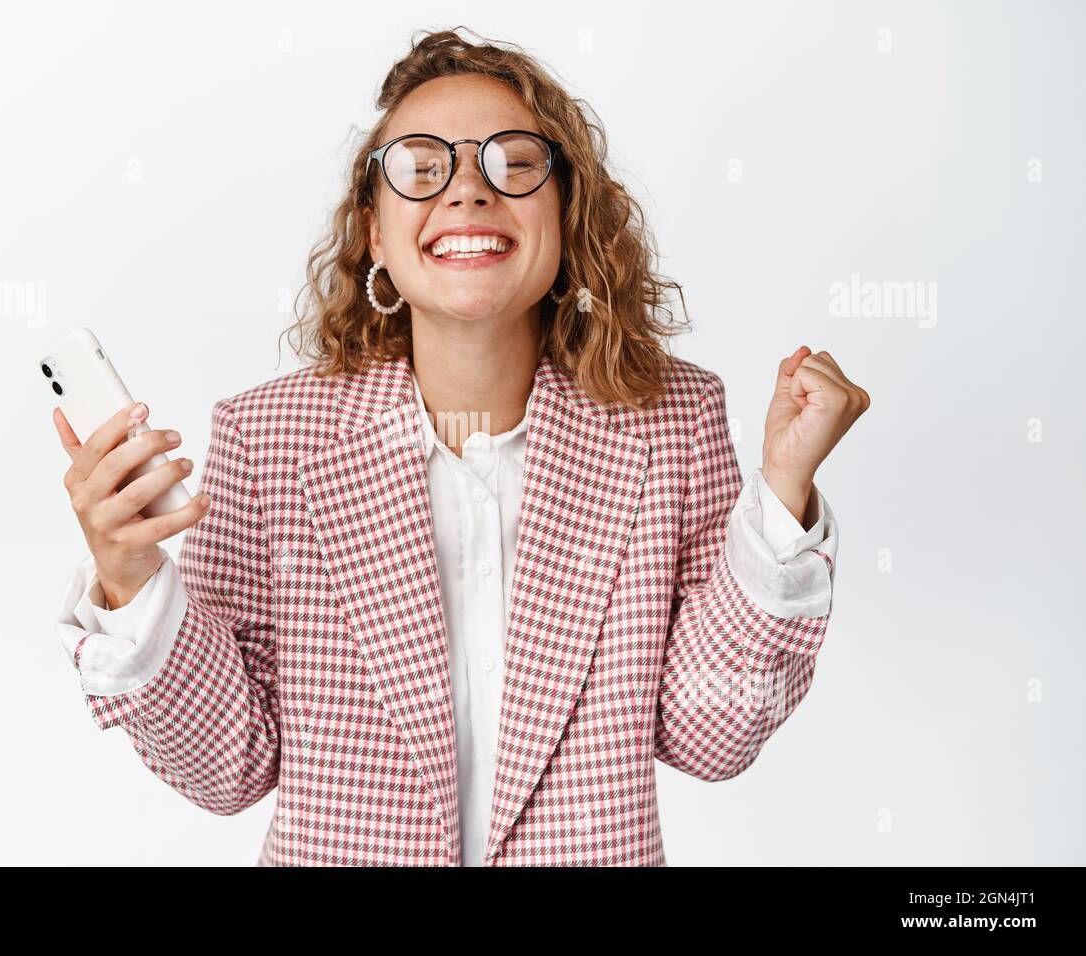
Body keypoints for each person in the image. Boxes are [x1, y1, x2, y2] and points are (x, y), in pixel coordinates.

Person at [52, 28, 869, 866]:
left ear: (566, 213)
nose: (469, 193)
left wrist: (782, 492)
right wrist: (133, 581)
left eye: (514, 165)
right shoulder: (268, 441)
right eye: (420, 167)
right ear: (374, 231)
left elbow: (712, 735)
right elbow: (228, 769)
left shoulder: (672, 423)